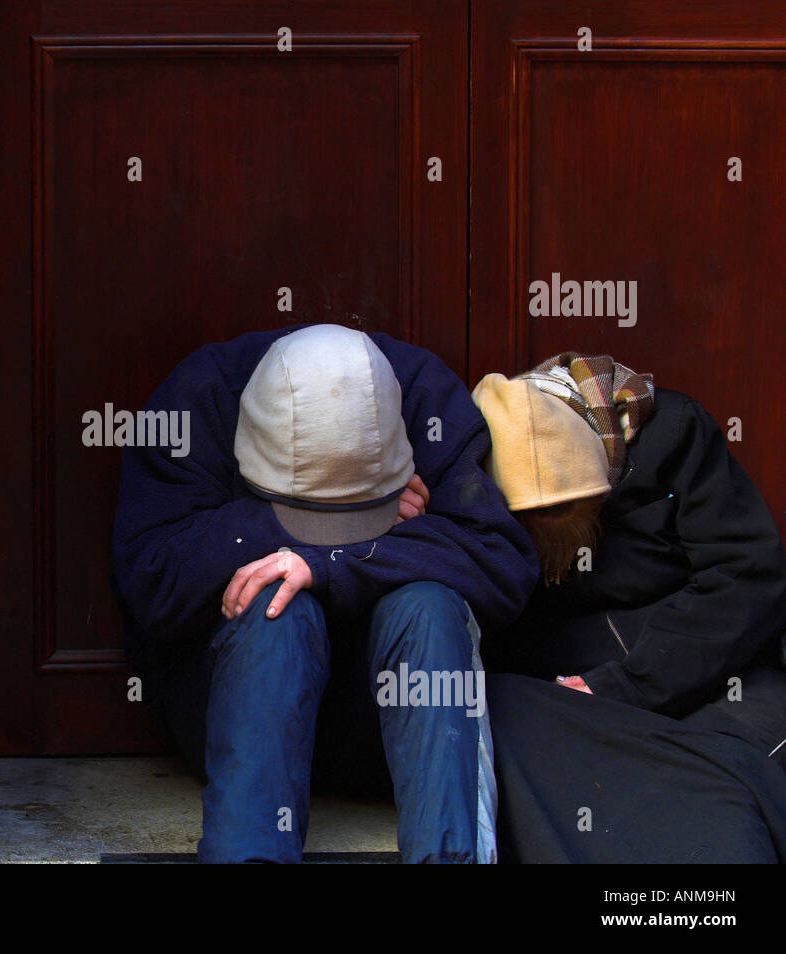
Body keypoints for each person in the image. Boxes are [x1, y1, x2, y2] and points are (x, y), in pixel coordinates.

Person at [111, 323, 539, 863]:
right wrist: (269, 529)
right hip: (237, 714)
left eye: (359, 511)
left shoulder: (424, 396)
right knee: (275, 607)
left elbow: (502, 563)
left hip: (386, 725)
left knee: (427, 605)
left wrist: (334, 561)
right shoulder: (198, 400)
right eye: (312, 517)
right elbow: (150, 584)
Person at [472, 354, 786, 862]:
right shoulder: (479, 459)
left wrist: (629, 684)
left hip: (702, 666)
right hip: (559, 690)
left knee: (736, 783)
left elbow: (745, 578)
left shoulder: (675, 432)